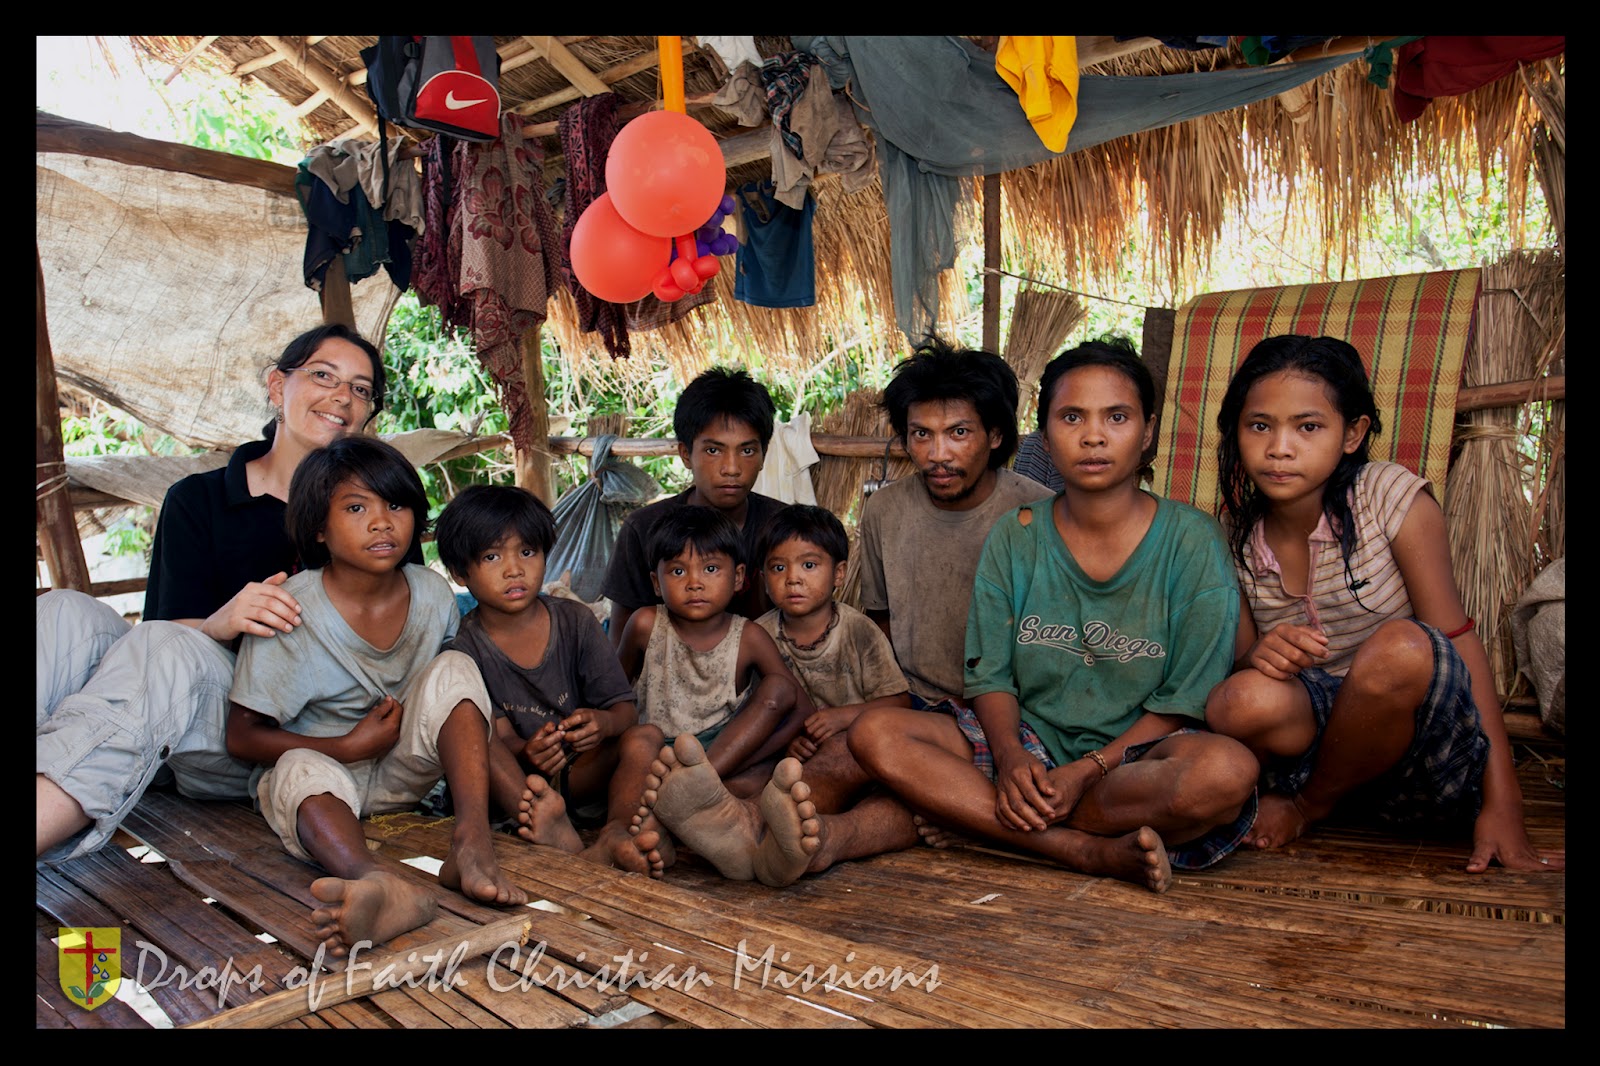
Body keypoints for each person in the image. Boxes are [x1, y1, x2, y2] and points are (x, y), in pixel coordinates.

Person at [850, 339, 1260, 892]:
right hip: (1029, 740)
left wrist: (1086, 771)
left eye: (1116, 417)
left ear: (1147, 431)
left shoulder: (1192, 541)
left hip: (1137, 755)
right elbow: (989, 673)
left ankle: (983, 821)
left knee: (1225, 773)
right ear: (1044, 435)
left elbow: (1186, 698)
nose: (1093, 436)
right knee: (876, 733)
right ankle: (1082, 850)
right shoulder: (1016, 535)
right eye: (1072, 417)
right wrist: (1012, 756)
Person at [641, 339, 1053, 887]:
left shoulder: (1038, 514)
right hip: (913, 707)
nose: (937, 454)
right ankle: (757, 832)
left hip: (1004, 711)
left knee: (900, 780)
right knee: (840, 761)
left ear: (996, 436)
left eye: (959, 433)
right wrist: (867, 707)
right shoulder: (885, 510)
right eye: (921, 434)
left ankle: (793, 839)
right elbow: (879, 625)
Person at [37, 324, 410, 862]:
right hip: (174, 711)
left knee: (164, 650)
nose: (341, 397)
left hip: (268, 736)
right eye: (324, 375)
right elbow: (168, 625)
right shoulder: (198, 499)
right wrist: (225, 620)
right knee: (62, 612)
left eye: (360, 388)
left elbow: (399, 634)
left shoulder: (379, 516)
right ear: (277, 386)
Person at [1202, 334, 1564, 873]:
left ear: (1352, 434)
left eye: (1308, 427)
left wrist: (1504, 804)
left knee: (1401, 648)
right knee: (1236, 701)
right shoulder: (1236, 534)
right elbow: (1242, 668)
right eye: (1260, 426)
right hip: (1318, 748)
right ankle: (1324, 794)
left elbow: (1458, 640)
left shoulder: (1389, 498)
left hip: (1421, 758)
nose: (1280, 447)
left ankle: (1311, 807)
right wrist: (1262, 657)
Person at [225, 437, 531, 958]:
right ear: (319, 528)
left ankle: (472, 843)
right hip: (325, 775)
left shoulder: (432, 594)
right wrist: (346, 746)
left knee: (455, 666)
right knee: (297, 768)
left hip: (401, 771)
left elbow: (454, 706)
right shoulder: (292, 609)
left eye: (396, 505)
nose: (382, 522)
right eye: (355, 508)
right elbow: (241, 735)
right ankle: (376, 882)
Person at [435, 484, 663, 876]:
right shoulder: (464, 649)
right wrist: (526, 751)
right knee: (476, 738)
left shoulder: (575, 621)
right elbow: (496, 739)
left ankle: (617, 834)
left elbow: (625, 710)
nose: (514, 569)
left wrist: (602, 723)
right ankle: (545, 820)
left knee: (648, 737)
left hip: (580, 772)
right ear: (460, 572)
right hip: (519, 785)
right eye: (492, 557)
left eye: (528, 552)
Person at [617, 507, 814, 875]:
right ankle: (657, 833)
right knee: (637, 754)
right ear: (656, 583)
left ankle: (692, 799)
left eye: (710, 569)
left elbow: (799, 707)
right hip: (657, 758)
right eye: (678, 571)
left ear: (739, 577)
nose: (694, 582)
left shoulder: (749, 636)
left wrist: (758, 753)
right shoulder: (645, 624)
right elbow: (613, 697)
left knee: (773, 704)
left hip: (724, 755)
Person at [603, 366, 786, 647]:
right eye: (713, 450)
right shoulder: (643, 529)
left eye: (747, 450)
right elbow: (621, 644)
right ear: (686, 454)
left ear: (764, 455)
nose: (732, 468)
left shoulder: (784, 527)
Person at [752, 504, 910, 762]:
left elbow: (900, 703)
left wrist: (844, 716)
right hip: (794, 756)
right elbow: (751, 714)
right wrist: (786, 744)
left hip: (858, 750)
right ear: (764, 578)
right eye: (778, 568)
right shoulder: (758, 636)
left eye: (809, 565)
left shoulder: (859, 631)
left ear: (839, 573)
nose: (793, 578)